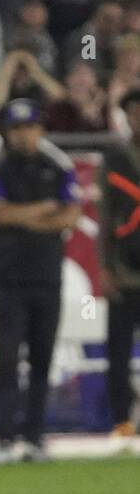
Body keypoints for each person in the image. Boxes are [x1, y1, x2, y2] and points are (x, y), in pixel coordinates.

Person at [0, 99, 83, 463]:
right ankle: (6, 439)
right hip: (8, 279)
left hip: (46, 277)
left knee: (42, 359)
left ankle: (35, 436)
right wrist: (43, 210)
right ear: (8, 132)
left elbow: (70, 216)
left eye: (30, 127)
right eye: (18, 128)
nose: (24, 135)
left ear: (40, 130)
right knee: (8, 360)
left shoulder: (56, 167)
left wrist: (18, 216)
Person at [97, 89, 140, 447]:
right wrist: (104, 269)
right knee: (118, 352)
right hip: (125, 270)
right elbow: (105, 218)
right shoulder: (114, 159)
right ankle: (122, 422)